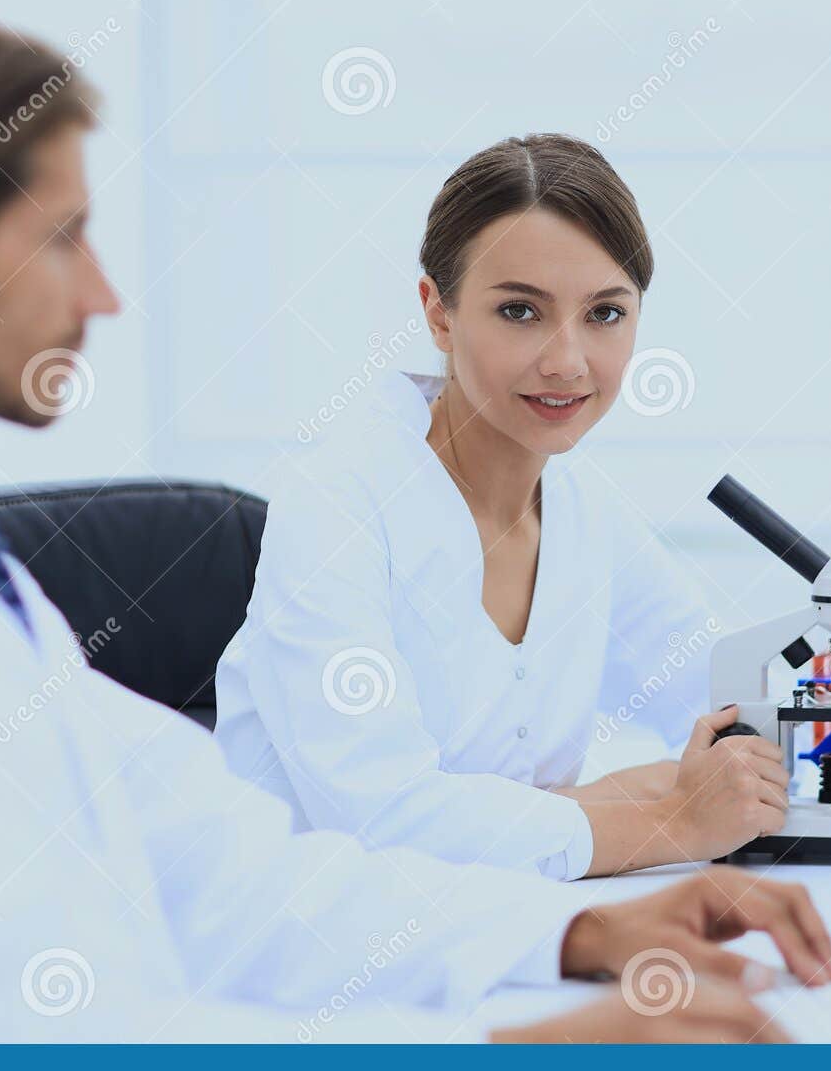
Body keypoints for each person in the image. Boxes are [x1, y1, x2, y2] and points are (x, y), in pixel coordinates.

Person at [0, 20, 831, 1044]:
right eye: (63, 237)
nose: (102, 293)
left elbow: (231, 874)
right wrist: (507, 1055)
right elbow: (8, 1054)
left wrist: (571, 938)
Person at [216, 134, 789, 880]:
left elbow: (721, 694)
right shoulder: (336, 506)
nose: (567, 360)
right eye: (520, 311)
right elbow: (385, 823)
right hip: (310, 962)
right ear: (439, 313)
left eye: (606, 314)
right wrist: (665, 817)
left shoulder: (584, 509)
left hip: (520, 932)